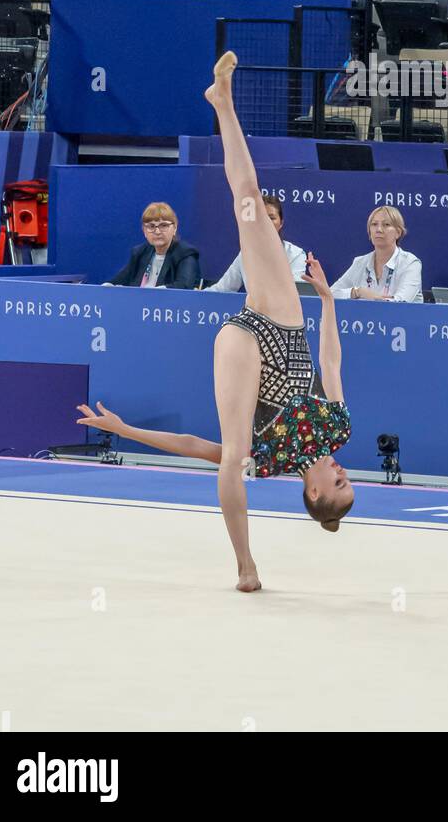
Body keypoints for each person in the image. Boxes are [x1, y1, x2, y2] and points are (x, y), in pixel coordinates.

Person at [79, 52, 354, 592]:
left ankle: (244, 565)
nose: (344, 473)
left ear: (315, 493)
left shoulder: (271, 459)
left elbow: (190, 445)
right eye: (348, 480)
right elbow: (331, 362)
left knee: (231, 458)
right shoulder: (337, 429)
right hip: (285, 322)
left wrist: (125, 430)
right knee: (249, 203)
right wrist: (326, 302)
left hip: (247, 349)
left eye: (339, 485)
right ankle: (222, 102)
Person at [206, 194, 307, 292]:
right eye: (261, 218)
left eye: (271, 218)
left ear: (281, 223)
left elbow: (295, 292)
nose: (266, 222)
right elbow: (222, 289)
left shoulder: (296, 254)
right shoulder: (246, 254)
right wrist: (195, 296)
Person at [331, 206, 423, 301]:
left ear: (398, 233)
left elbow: (400, 302)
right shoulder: (360, 262)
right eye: (374, 224)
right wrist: (358, 292)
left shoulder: (410, 263)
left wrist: (374, 299)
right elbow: (330, 294)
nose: (379, 229)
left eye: (386, 224)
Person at [105, 203, 201, 288]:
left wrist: (155, 293)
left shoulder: (185, 254)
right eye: (151, 226)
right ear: (144, 231)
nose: (157, 231)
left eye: (163, 225)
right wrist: (105, 287)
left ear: (175, 228)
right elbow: (118, 281)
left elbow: (184, 286)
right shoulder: (140, 252)